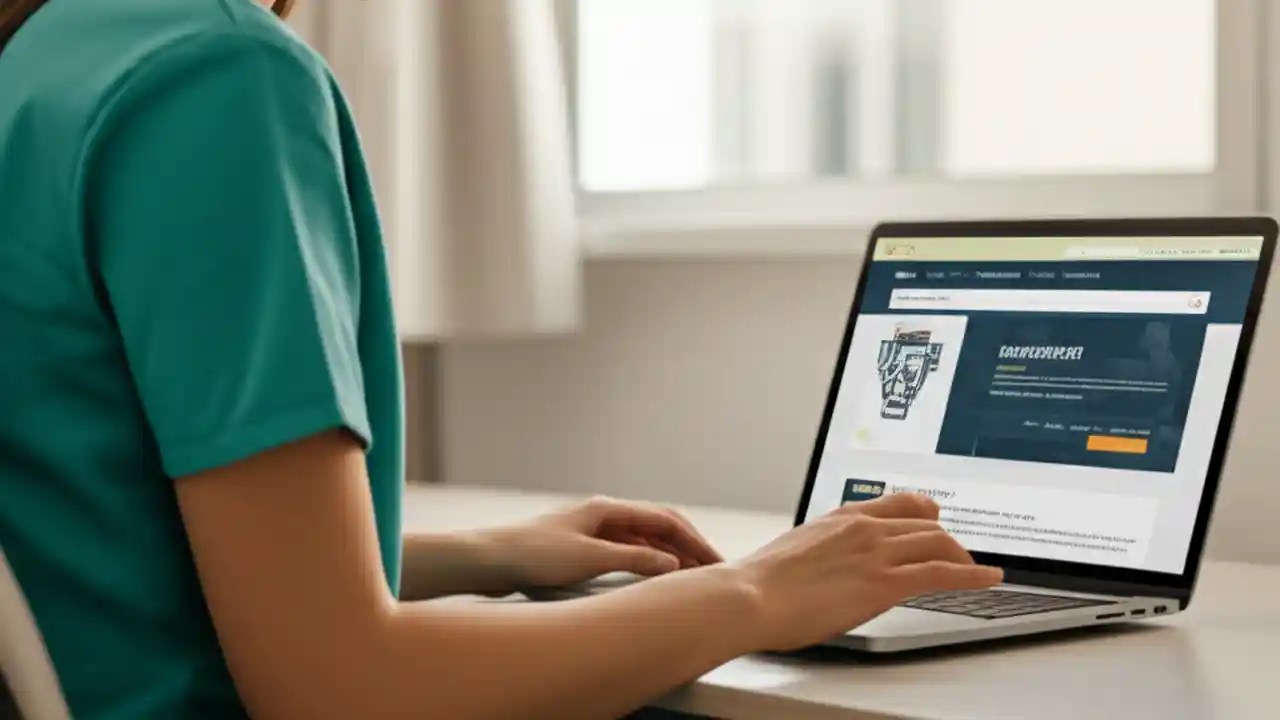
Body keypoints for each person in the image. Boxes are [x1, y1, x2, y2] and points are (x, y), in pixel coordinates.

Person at [0, 0, 1002, 717]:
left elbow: (100, 547)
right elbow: (338, 685)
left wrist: (490, 555)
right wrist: (754, 593)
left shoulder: (43, 59)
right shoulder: (210, 71)